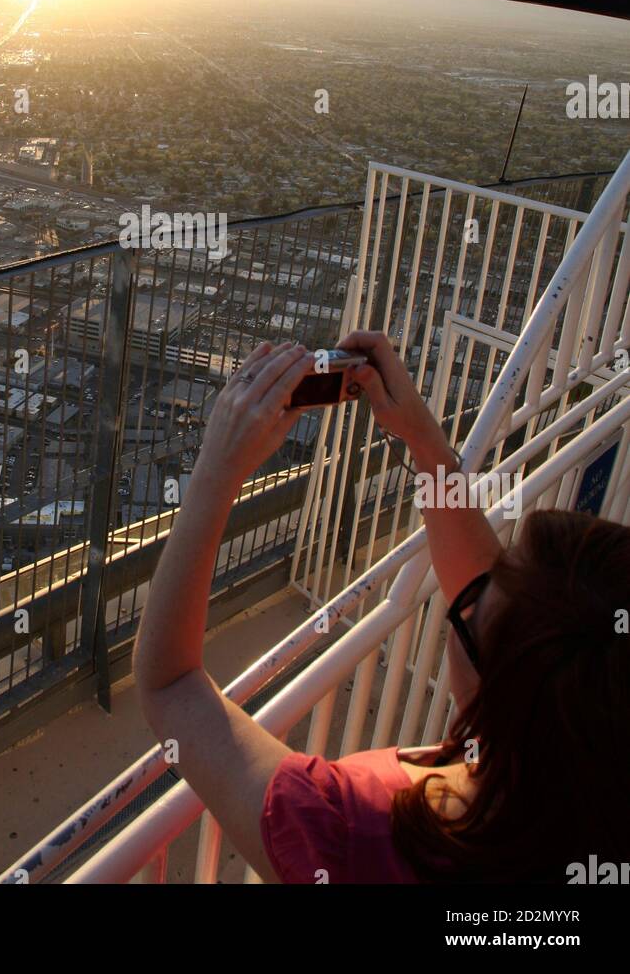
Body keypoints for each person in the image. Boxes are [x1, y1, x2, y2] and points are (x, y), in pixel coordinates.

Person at [133, 332, 630, 883]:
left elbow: (169, 683)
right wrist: (420, 435)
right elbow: (519, 621)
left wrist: (216, 470)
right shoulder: (577, 792)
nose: (478, 577)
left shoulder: (352, 835)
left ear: (496, 694)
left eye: (477, 603)